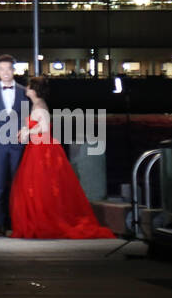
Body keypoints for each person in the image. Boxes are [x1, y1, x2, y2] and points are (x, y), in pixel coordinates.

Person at [9, 78, 115, 239]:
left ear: (35, 89)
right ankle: (39, 219)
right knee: (37, 186)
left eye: (30, 85)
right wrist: (26, 130)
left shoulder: (39, 105)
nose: (27, 87)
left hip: (42, 149)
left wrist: (27, 132)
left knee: (39, 185)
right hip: (38, 147)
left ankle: (43, 220)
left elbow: (44, 127)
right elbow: (39, 124)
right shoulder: (38, 104)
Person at [0, 54, 28, 235]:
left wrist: (24, 135)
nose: (6, 72)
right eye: (2, 69)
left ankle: (17, 223)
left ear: (14, 70)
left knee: (18, 185)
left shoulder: (23, 90)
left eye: (9, 69)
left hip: (17, 144)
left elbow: (26, 116)